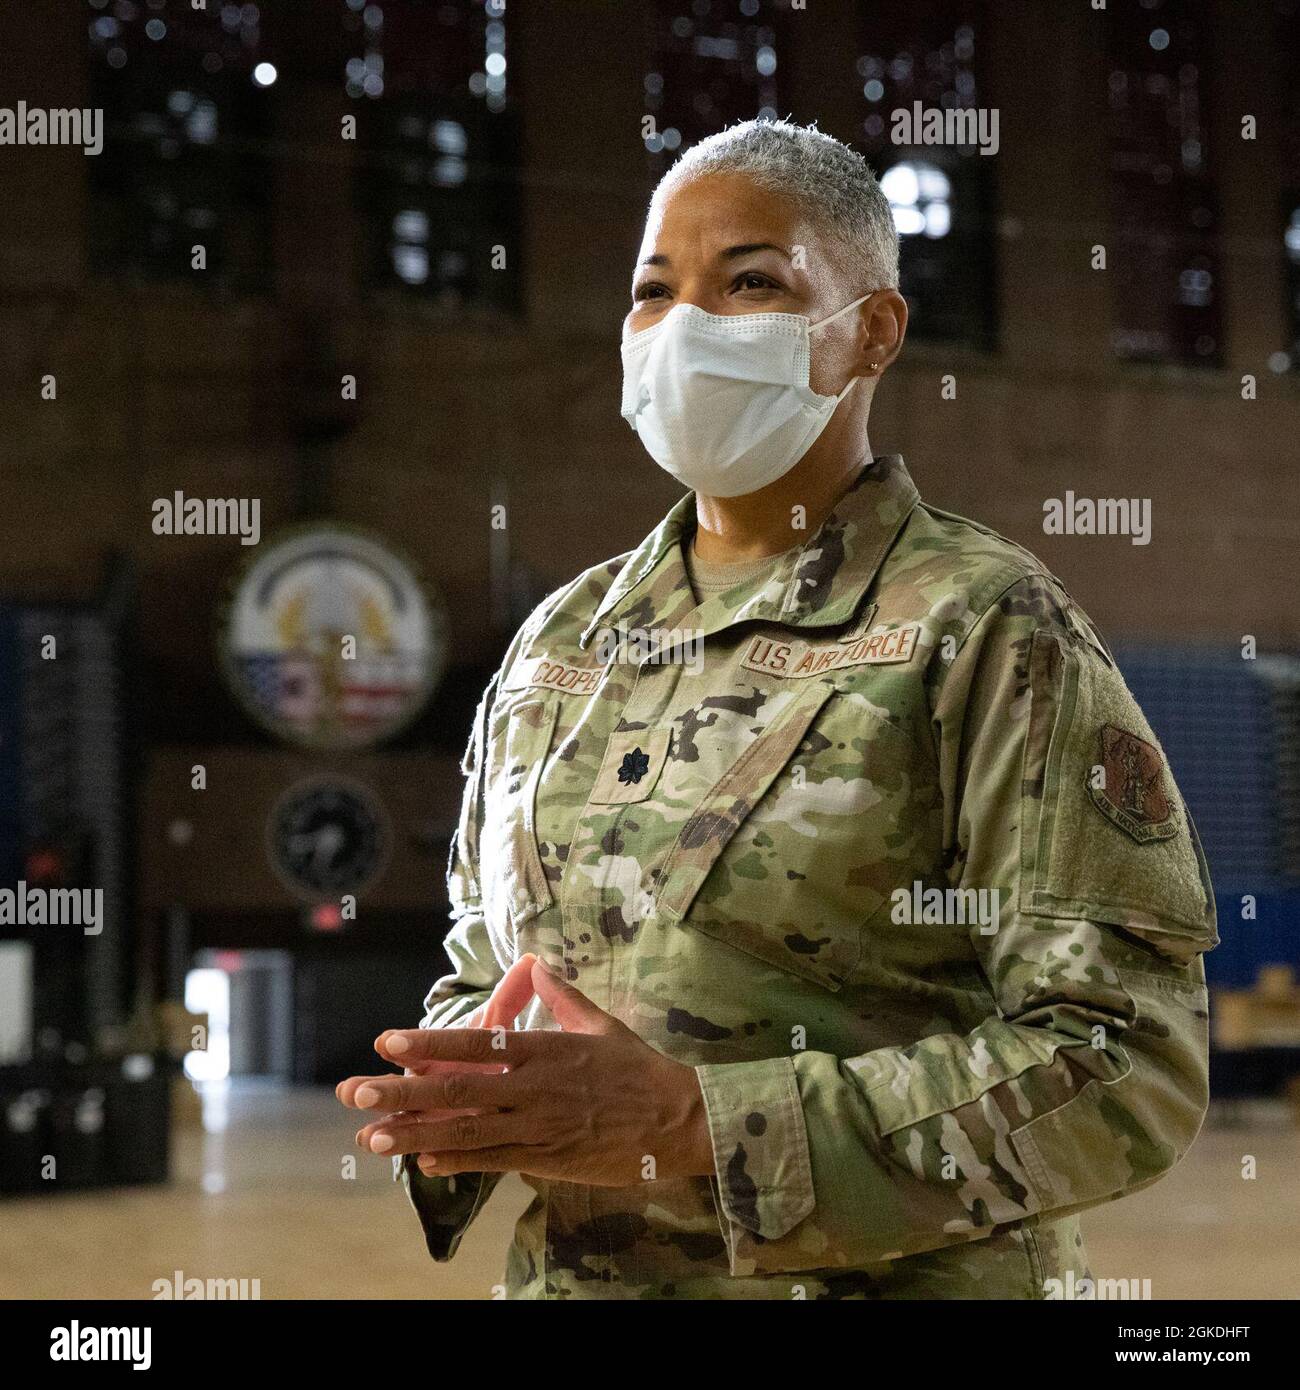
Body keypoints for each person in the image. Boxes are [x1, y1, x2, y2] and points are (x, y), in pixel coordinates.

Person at [337, 118, 1216, 1300]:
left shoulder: (981, 628)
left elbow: (1125, 1062)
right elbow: (484, 966)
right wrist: (457, 1089)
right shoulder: (564, 641)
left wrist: (702, 1125)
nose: (687, 326)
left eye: (751, 282)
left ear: (870, 331)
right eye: (655, 292)